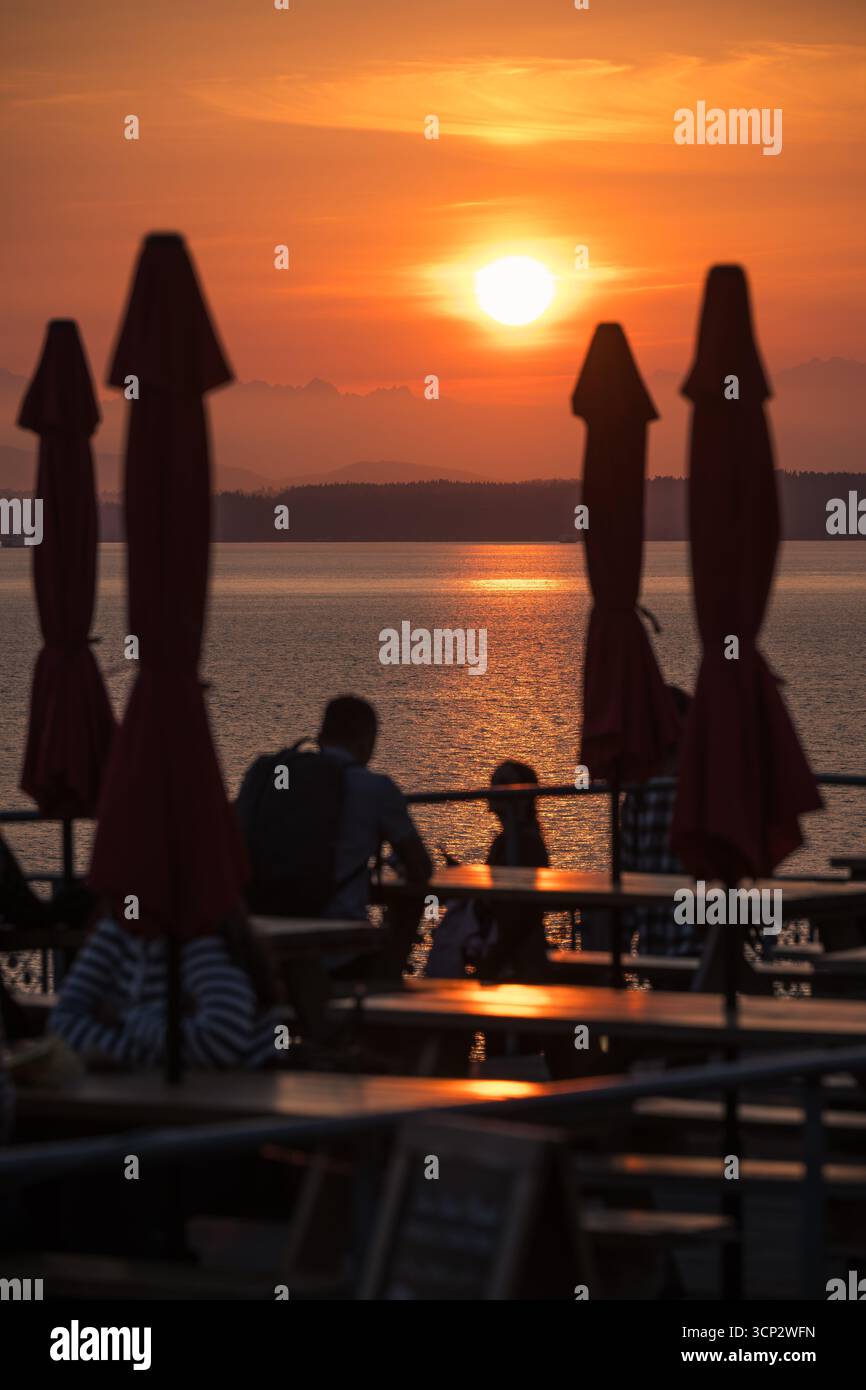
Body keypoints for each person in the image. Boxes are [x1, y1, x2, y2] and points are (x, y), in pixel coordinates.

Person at [236, 695, 432, 978]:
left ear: (320, 736)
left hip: (261, 941)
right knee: (413, 901)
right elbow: (420, 868)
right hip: (338, 951)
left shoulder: (266, 773)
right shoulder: (376, 788)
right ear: (368, 741)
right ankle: (386, 986)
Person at [49, 909, 288, 1070]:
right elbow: (61, 1024)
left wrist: (123, 1020)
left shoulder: (203, 940)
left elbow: (218, 1043)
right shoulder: (115, 931)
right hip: (146, 1097)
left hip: (232, 1110)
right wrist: (153, 1054)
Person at [619, 684, 698, 957]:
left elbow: (626, 875)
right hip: (700, 946)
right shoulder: (709, 790)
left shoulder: (639, 794)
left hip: (655, 946)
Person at [474, 760, 551, 982]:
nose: (494, 790)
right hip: (500, 940)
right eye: (493, 783)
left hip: (519, 949)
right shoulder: (502, 841)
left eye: (503, 783)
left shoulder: (526, 843)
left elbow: (525, 910)